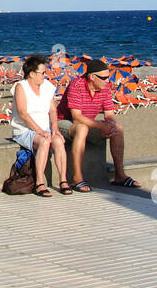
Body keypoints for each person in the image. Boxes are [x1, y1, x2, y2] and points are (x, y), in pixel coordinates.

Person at [56, 59, 135, 191]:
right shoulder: (76, 85)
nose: (107, 81)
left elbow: (109, 114)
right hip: (64, 122)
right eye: (104, 78)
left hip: (87, 124)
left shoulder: (105, 88)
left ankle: (120, 175)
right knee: (81, 128)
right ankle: (77, 178)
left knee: (118, 129)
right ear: (92, 77)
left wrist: (110, 124)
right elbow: (76, 117)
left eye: (108, 78)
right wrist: (100, 125)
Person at [10, 54, 69, 197]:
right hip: (24, 129)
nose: (45, 75)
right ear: (31, 74)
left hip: (45, 129)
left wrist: (54, 128)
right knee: (44, 141)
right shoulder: (20, 87)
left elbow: (53, 109)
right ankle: (39, 182)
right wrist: (41, 132)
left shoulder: (47, 87)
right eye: (42, 73)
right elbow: (23, 113)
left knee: (59, 141)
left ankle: (63, 180)